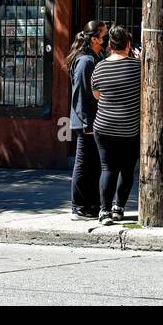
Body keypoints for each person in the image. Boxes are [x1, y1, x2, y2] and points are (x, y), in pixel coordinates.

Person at [91, 25, 141, 224]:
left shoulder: (100, 67)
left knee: (108, 168)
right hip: (129, 128)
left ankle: (104, 211)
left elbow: (97, 95)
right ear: (128, 45)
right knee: (127, 170)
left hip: (103, 127)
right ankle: (118, 207)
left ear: (110, 45)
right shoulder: (138, 67)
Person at [66, 20, 106, 221]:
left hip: (92, 121)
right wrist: (86, 123)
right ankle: (78, 207)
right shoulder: (85, 61)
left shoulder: (95, 57)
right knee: (83, 163)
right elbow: (80, 94)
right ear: (94, 39)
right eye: (103, 37)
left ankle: (91, 204)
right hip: (86, 122)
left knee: (94, 165)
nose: (106, 41)